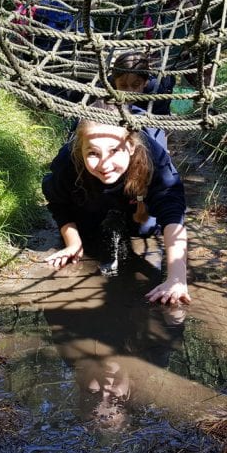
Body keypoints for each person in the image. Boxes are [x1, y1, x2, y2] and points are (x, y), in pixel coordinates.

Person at [41, 106, 191, 305]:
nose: (105, 164)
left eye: (114, 150)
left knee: (145, 229)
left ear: (131, 146)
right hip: (92, 189)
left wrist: (177, 279)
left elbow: (172, 212)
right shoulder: (68, 161)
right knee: (88, 230)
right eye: (93, 153)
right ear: (80, 150)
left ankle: (126, 208)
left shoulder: (154, 160)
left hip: (136, 190)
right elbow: (58, 203)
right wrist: (73, 242)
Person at [112, 50, 174, 117]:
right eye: (123, 85)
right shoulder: (108, 85)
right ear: (115, 81)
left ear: (145, 83)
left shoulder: (156, 92)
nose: (129, 91)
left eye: (135, 85)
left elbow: (162, 120)